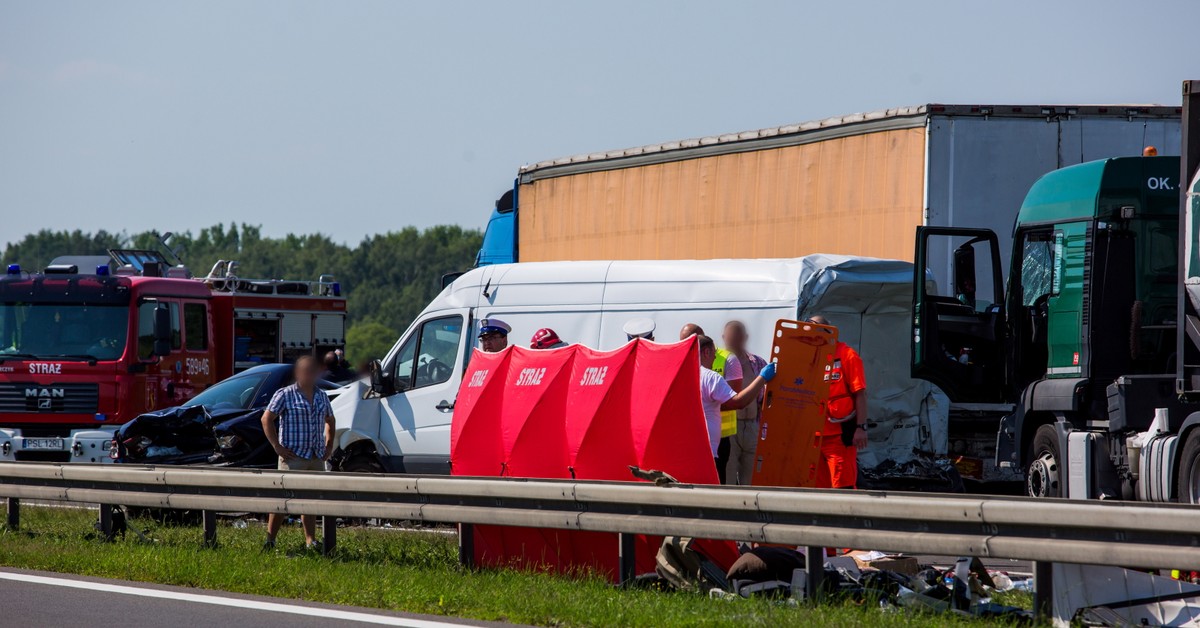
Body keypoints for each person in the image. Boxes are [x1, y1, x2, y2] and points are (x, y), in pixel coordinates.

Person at [261, 355, 335, 551]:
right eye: (306, 370)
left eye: (312, 370)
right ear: (298, 373)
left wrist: (329, 446)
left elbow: (330, 420)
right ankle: (270, 540)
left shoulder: (321, 396)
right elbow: (266, 419)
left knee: (309, 501)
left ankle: (310, 540)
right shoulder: (285, 394)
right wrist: (277, 446)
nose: (309, 374)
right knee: (282, 500)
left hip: (315, 455)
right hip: (293, 456)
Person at [696, 334, 775, 479]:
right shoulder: (709, 377)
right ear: (706, 352)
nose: (715, 359)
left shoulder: (682, 374)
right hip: (708, 451)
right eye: (714, 354)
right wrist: (762, 378)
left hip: (689, 449)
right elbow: (738, 402)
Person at [807, 315, 869, 490]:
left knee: (843, 486)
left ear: (828, 331)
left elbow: (861, 394)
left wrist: (861, 428)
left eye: (814, 329)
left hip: (839, 436)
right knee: (819, 488)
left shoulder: (847, 355)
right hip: (814, 437)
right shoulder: (810, 358)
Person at [681, 323, 742, 484]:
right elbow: (736, 402)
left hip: (721, 436)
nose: (685, 347)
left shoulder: (727, 359)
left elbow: (732, 400)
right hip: (699, 443)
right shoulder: (687, 369)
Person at [722, 321, 768, 485]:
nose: (734, 340)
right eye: (731, 337)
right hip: (730, 428)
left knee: (751, 477)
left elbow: (768, 395)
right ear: (724, 338)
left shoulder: (757, 362)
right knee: (728, 474)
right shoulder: (719, 362)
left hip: (753, 427)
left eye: (738, 336)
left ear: (745, 338)